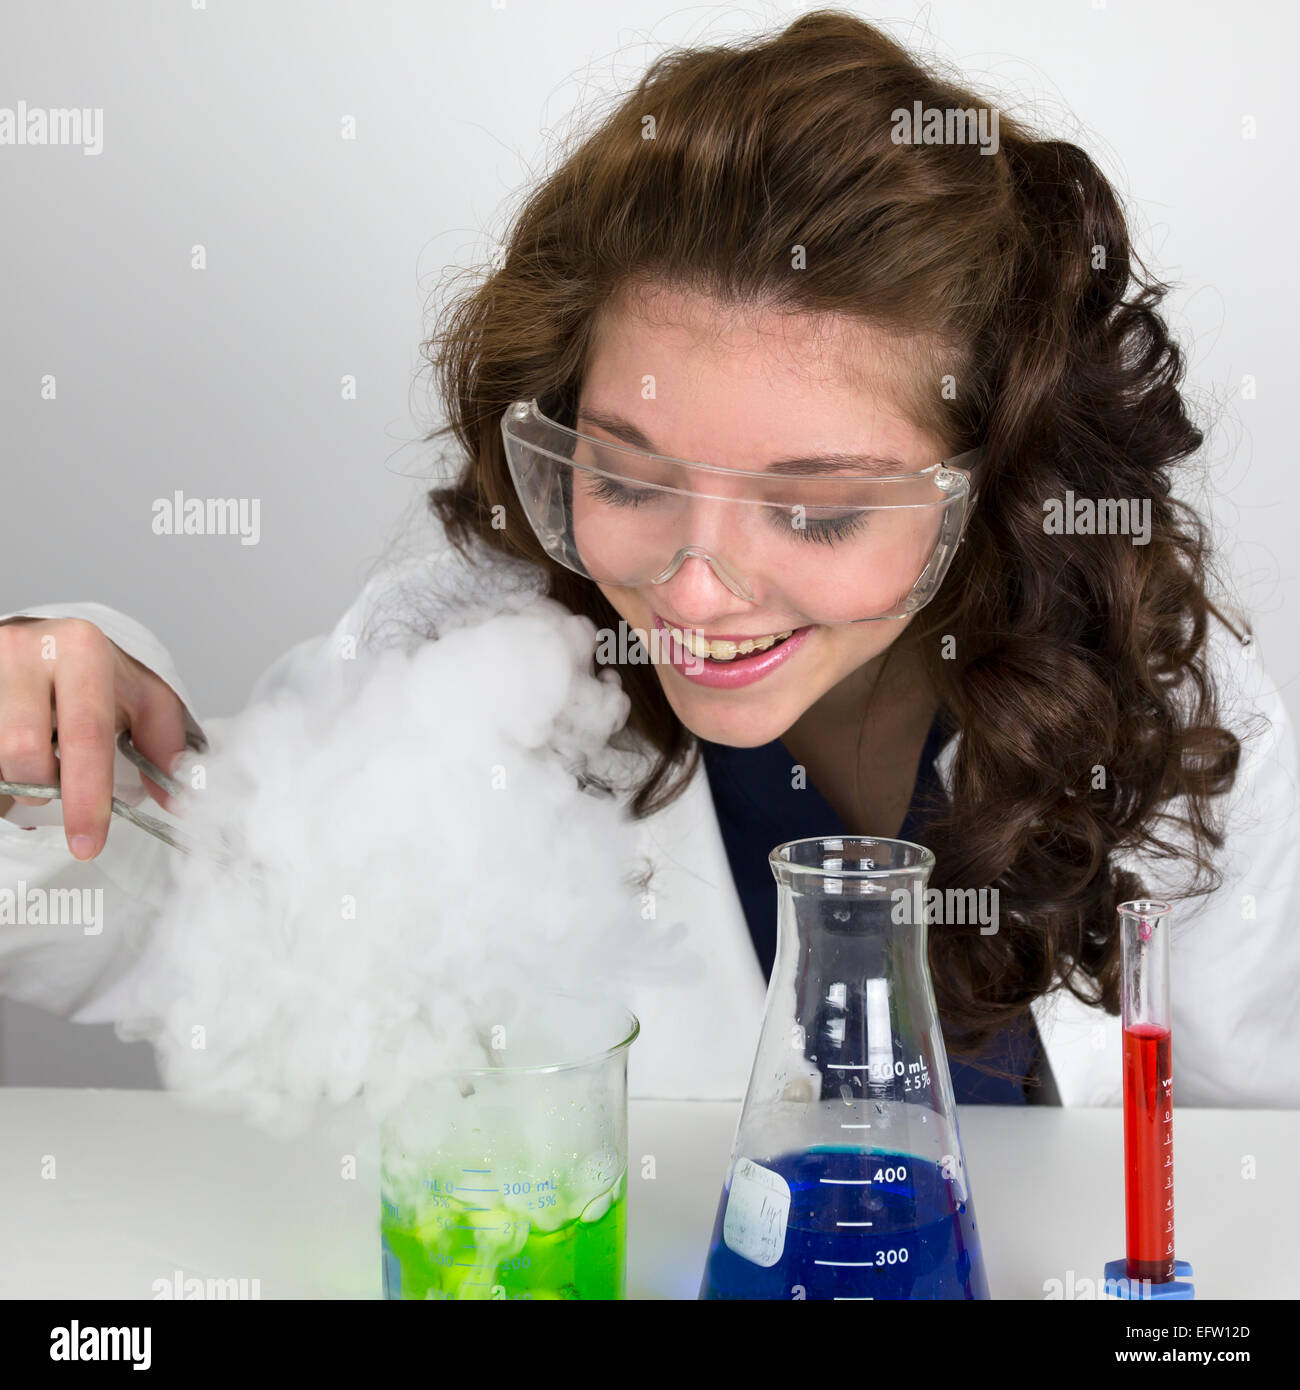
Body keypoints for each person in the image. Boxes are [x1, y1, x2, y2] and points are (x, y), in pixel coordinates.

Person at [2, 11, 1296, 1106]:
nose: (690, 588)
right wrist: (45, 724)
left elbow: (1260, 1175)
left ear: (993, 479)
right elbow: (201, 917)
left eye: (817, 509)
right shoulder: (481, 663)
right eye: (626, 475)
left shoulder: (1179, 728)